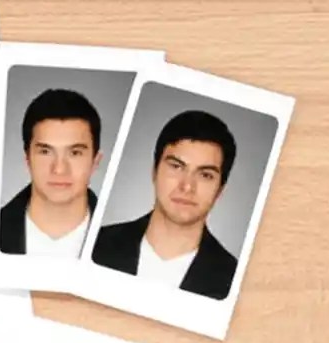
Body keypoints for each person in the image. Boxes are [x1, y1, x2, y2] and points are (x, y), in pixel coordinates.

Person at [91, 109, 239, 300]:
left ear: (220, 190)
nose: (187, 186)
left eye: (205, 175)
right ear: (154, 171)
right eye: (176, 167)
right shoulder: (95, 243)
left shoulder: (234, 282)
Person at [0, 88, 103, 256]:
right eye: (45, 152)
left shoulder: (122, 242)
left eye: (75, 153)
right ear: (27, 158)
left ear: (95, 162)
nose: (59, 169)